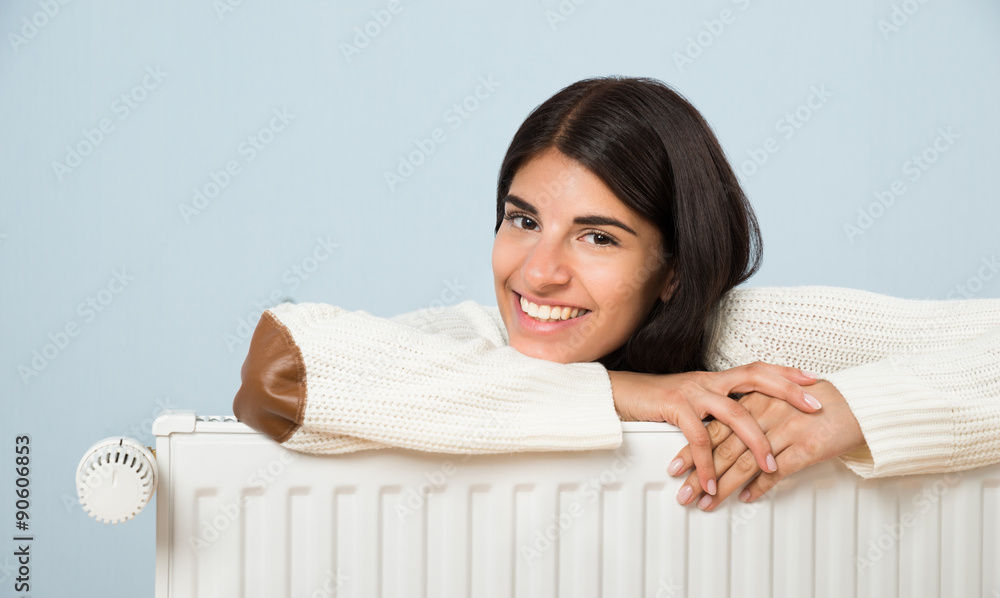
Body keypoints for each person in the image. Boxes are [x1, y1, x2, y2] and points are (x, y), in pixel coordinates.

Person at [232, 75, 1000, 510]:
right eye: (522, 219)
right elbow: (281, 376)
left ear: (673, 269)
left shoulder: (754, 343)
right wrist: (623, 392)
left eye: (597, 236)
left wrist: (851, 410)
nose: (538, 272)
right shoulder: (474, 345)